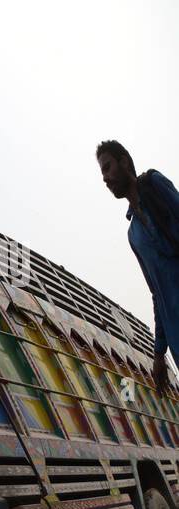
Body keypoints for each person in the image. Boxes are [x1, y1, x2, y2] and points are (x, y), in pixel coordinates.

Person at [96, 140, 179, 392]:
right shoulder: (133, 235)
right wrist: (158, 353)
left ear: (125, 162)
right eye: (102, 173)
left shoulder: (153, 183)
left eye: (108, 168)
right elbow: (157, 293)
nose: (106, 179)